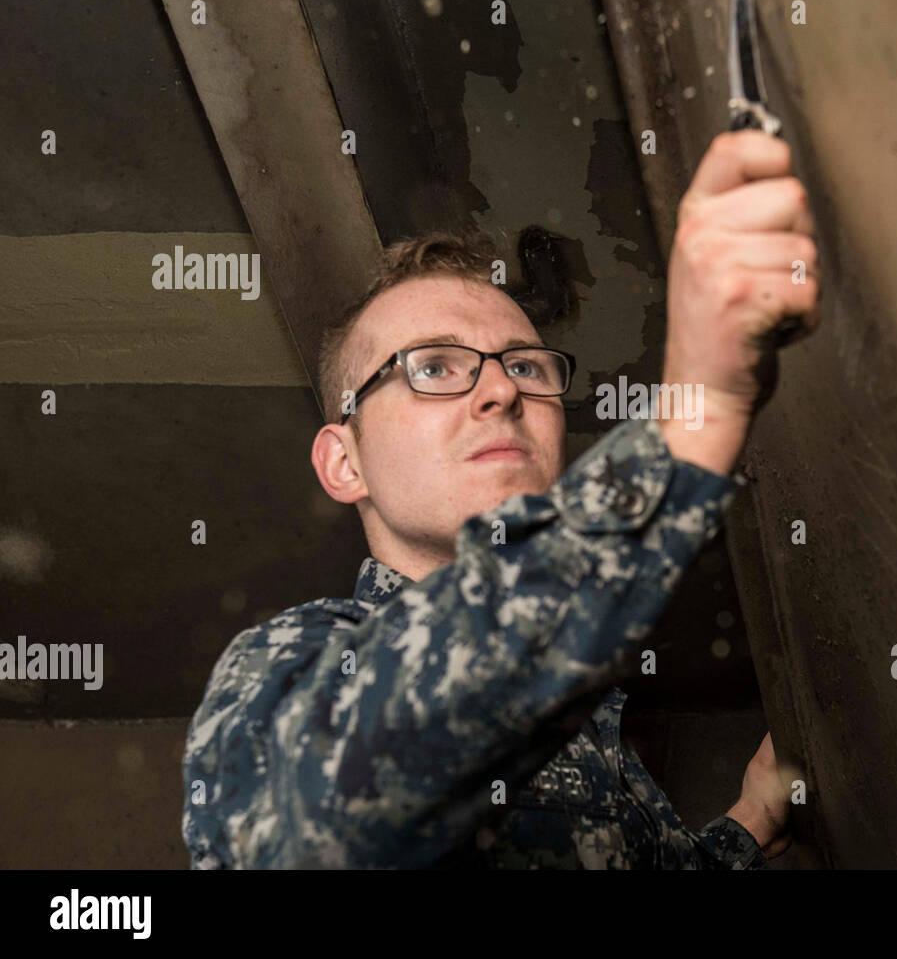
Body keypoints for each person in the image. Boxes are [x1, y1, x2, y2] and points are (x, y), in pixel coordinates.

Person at [181, 130, 819, 868]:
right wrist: (692, 417)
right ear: (343, 463)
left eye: (524, 365)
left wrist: (749, 820)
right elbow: (324, 816)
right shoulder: (289, 670)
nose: (502, 388)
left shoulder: (592, 722)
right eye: (434, 366)